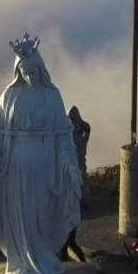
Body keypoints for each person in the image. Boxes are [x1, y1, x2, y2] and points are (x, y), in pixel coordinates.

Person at [0, 33, 82, 274]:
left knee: (41, 214)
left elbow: (63, 137)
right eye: (25, 72)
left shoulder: (52, 97)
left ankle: (43, 261)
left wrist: (70, 166)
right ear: (18, 72)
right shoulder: (9, 96)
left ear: (41, 70)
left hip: (45, 168)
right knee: (19, 217)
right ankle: (21, 262)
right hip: (15, 168)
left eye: (34, 71)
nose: (30, 76)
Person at [61, 106, 91, 262]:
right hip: (76, 169)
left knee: (67, 243)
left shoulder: (76, 134)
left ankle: (69, 264)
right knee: (69, 243)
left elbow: (87, 128)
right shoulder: (77, 134)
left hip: (77, 168)